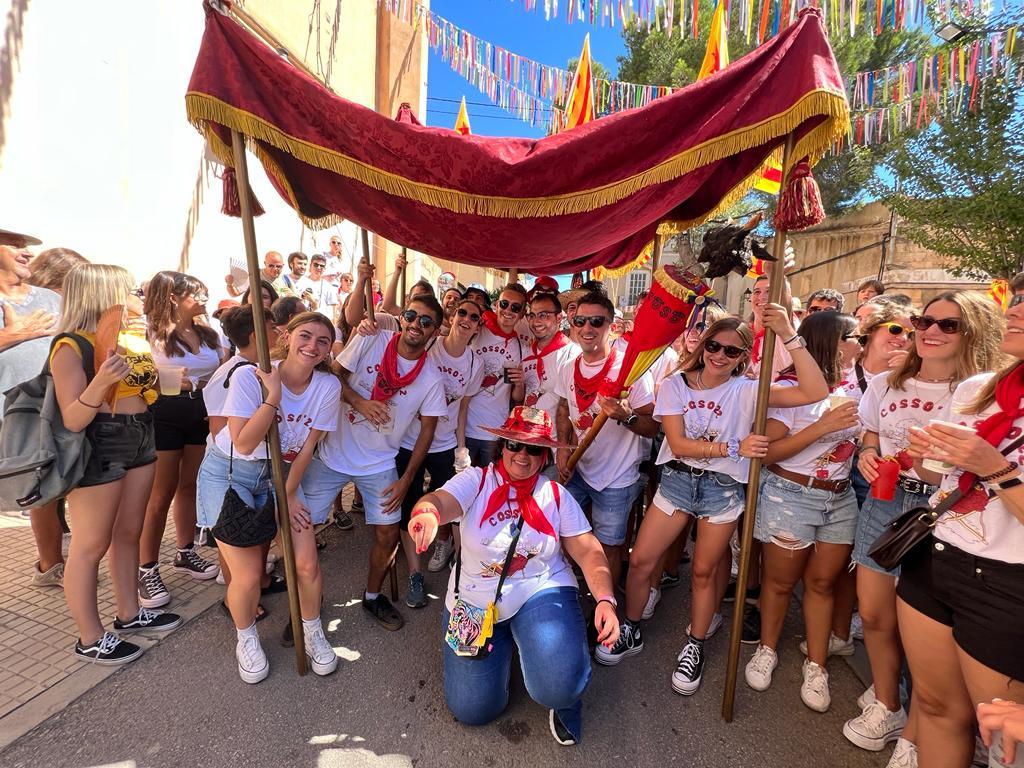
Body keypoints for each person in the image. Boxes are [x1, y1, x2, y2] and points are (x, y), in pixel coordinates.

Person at [597, 311, 827, 698]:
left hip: (722, 490)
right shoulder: (674, 385)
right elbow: (681, 443)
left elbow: (815, 391)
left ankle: (695, 643)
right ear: (703, 346)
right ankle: (632, 625)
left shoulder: (748, 390)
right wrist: (734, 447)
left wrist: (788, 333)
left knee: (704, 572)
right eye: (714, 346)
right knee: (640, 560)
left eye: (732, 350)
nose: (720, 355)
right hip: (677, 482)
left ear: (743, 356)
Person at [850, 290, 1006, 763]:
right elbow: (870, 435)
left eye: (948, 325)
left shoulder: (983, 393)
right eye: (923, 321)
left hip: (942, 512)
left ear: (973, 333)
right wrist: (868, 456)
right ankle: (887, 701)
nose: (930, 332)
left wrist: (926, 461)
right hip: (885, 502)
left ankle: (917, 732)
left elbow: (958, 474)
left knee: (928, 631)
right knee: (875, 615)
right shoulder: (885, 383)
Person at [407, 406, 620, 746]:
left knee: (559, 684)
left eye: (534, 448)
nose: (523, 455)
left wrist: (605, 600)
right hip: (476, 597)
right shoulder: (475, 480)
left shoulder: (553, 495)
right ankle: (509, 655)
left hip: (540, 588)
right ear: (501, 445)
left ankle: (562, 693)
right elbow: (441, 500)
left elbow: (588, 550)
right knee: (473, 710)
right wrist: (428, 514)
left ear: (544, 454)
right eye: (514, 444)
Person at [895, 301, 1021, 766]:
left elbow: (989, 471)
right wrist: (925, 454)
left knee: (1002, 743)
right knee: (935, 709)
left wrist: (995, 468)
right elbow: (938, 477)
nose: (1017, 309)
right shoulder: (977, 389)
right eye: (1019, 297)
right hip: (937, 554)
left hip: (1008, 582)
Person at [197, 311, 341, 683]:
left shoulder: (328, 387)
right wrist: (273, 396)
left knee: (306, 563)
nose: (313, 346)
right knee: (247, 575)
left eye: (323, 341)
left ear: (328, 350)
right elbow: (244, 443)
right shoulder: (251, 375)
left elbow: (308, 448)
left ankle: (311, 629)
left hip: (285, 476)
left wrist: (289, 495)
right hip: (232, 475)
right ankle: (246, 639)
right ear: (287, 336)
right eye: (305, 336)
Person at [51, 263, 181, 664]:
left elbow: (147, 387)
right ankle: (89, 637)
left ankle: (129, 614)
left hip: (141, 430)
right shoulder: (70, 345)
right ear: (102, 294)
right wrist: (102, 380)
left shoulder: (127, 337)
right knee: (90, 544)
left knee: (129, 531)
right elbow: (73, 416)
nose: (138, 297)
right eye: (130, 290)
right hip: (100, 439)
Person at [302, 294, 447, 631]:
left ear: (435, 331)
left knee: (387, 536)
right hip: (331, 455)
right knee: (301, 529)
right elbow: (332, 375)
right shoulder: (372, 339)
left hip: (379, 463)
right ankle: (306, 604)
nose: (416, 324)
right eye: (411, 315)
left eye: (426, 321)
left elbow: (428, 430)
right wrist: (359, 401)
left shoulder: (432, 379)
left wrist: (408, 478)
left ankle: (372, 597)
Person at [744, 312, 862, 712]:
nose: (859, 344)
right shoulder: (790, 388)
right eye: (853, 337)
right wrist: (822, 426)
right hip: (790, 495)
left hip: (840, 499)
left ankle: (817, 664)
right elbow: (768, 452)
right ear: (832, 341)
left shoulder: (861, 386)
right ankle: (767, 649)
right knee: (779, 583)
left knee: (823, 584)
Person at [554, 291, 659, 589]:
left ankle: (605, 604)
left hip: (616, 478)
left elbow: (653, 427)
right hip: (577, 468)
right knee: (566, 534)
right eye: (580, 321)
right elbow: (564, 407)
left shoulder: (631, 371)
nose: (587, 328)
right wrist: (563, 450)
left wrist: (626, 416)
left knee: (609, 546)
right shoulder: (568, 366)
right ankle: (571, 593)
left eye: (596, 321)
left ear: (612, 327)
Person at [137, 272, 222, 609]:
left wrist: (197, 385)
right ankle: (147, 567)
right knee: (160, 494)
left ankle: (185, 551)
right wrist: (172, 380)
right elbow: (142, 379)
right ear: (174, 297)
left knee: (190, 485)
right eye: (196, 292)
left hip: (202, 412)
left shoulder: (206, 332)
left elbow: (219, 371)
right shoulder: (149, 333)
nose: (204, 296)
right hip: (165, 413)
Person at [0, 232, 64, 588]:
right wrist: (13, 335)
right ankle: (50, 565)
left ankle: (62, 562)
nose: (27, 252)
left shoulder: (50, 298)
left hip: (59, 405)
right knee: (33, 487)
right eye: (14, 244)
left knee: (54, 484)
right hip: (11, 415)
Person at [461, 284, 528, 467]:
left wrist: (520, 384)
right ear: (496, 305)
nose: (508, 310)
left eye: (515, 307)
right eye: (504, 304)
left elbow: (515, 396)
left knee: (489, 485)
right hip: (463, 427)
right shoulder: (477, 329)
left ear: (522, 313)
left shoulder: (519, 347)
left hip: (495, 431)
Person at [522, 292, 578, 442]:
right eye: (532, 315)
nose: (536, 321)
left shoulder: (571, 354)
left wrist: (565, 448)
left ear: (559, 318)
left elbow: (572, 407)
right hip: (526, 440)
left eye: (543, 315)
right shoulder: (527, 353)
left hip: (554, 445)